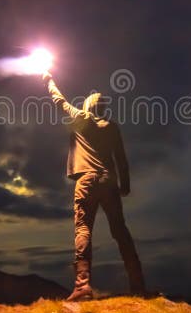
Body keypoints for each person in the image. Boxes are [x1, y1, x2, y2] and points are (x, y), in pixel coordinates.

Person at [42, 71, 146, 301]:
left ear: (89, 106)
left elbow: (59, 100)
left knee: (83, 228)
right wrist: (124, 185)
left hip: (86, 182)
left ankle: (82, 286)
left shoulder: (80, 118)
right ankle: (138, 285)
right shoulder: (112, 127)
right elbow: (121, 158)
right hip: (108, 181)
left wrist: (48, 79)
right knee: (120, 232)